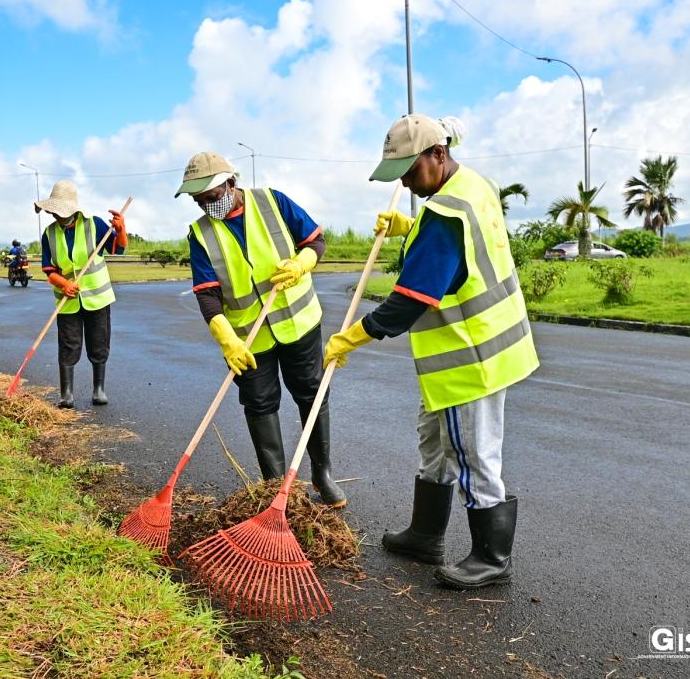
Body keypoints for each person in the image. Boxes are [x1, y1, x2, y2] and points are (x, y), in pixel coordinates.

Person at [324, 114, 539, 587]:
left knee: (472, 454)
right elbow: (456, 237)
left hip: (470, 358)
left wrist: (350, 338)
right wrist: (410, 225)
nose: (404, 180)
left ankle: (492, 557)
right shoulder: (471, 185)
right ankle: (425, 536)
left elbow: (409, 301)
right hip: (478, 351)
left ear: (437, 154)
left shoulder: (444, 213)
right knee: (436, 443)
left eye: (409, 169)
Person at [177, 151, 346, 508]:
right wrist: (227, 340)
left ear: (231, 184)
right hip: (248, 339)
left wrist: (303, 262)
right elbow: (207, 295)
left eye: (211, 197)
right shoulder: (200, 234)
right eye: (198, 201)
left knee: (311, 394)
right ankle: (276, 488)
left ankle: (322, 474)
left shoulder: (272, 201)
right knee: (259, 403)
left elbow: (315, 240)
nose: (207, 207)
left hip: (298, 322)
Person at [35, 180, 128, 408]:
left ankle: (99, 389)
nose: (57, 216)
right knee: (68, 344)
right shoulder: (49, 233)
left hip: (97, 298)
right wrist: (63, 284)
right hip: (67, 301)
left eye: (61, 211)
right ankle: (66, 394)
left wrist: (120, 228)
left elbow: (118, 248)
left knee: (99, 343)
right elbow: (49, 270)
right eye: (54, 211)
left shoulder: (93, 224)